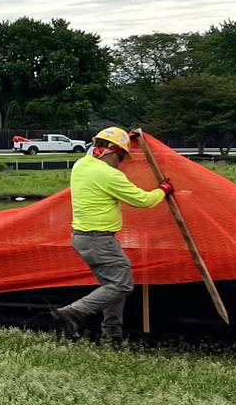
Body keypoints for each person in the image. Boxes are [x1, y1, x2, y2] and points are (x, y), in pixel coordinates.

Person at [52, 126, 172, 344]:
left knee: (113, 288)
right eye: (120, 156)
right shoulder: (108, 174)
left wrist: (126, 138)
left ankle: (112, 335)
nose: (121, 162)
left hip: (84, 239)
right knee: (122, 285)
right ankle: (72, 313)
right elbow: (143, 200)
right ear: (110, 151)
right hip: (100, 240)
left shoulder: (82, 165)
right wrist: (163, 189)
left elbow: (97, 148)